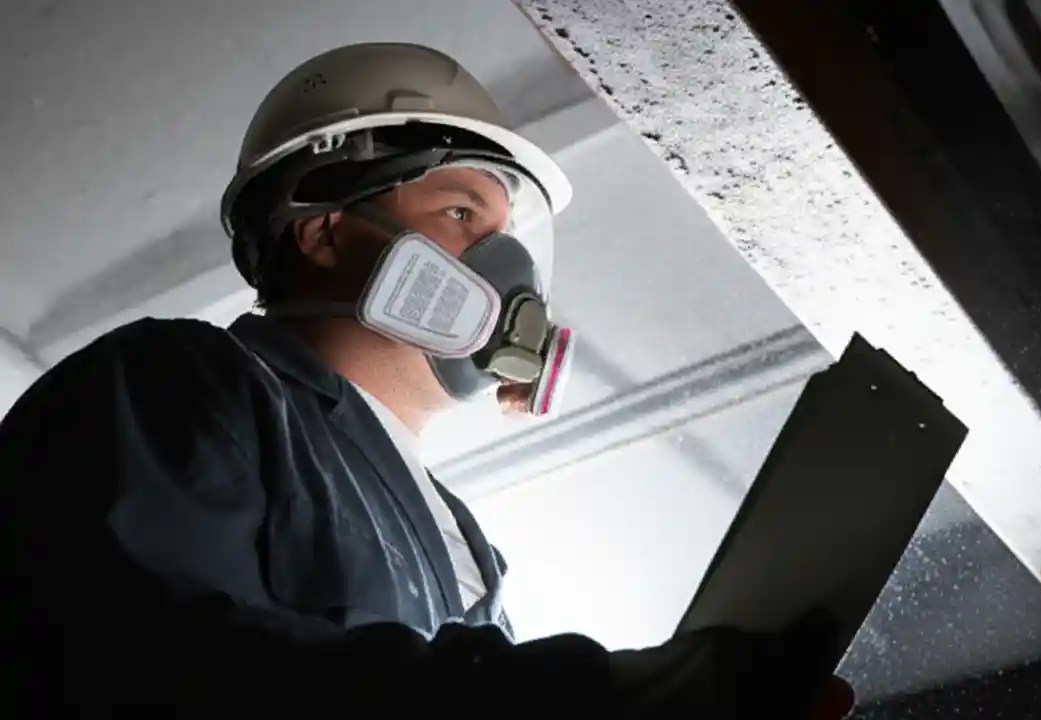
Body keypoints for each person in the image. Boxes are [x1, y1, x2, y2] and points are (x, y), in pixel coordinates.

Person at [0, 43, 853, 717]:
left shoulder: (464, 544)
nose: (505, 265)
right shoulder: (180, 380)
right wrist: (610, 701)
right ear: (327, 232)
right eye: (458, 215)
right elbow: (151, 666)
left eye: (507, 232)